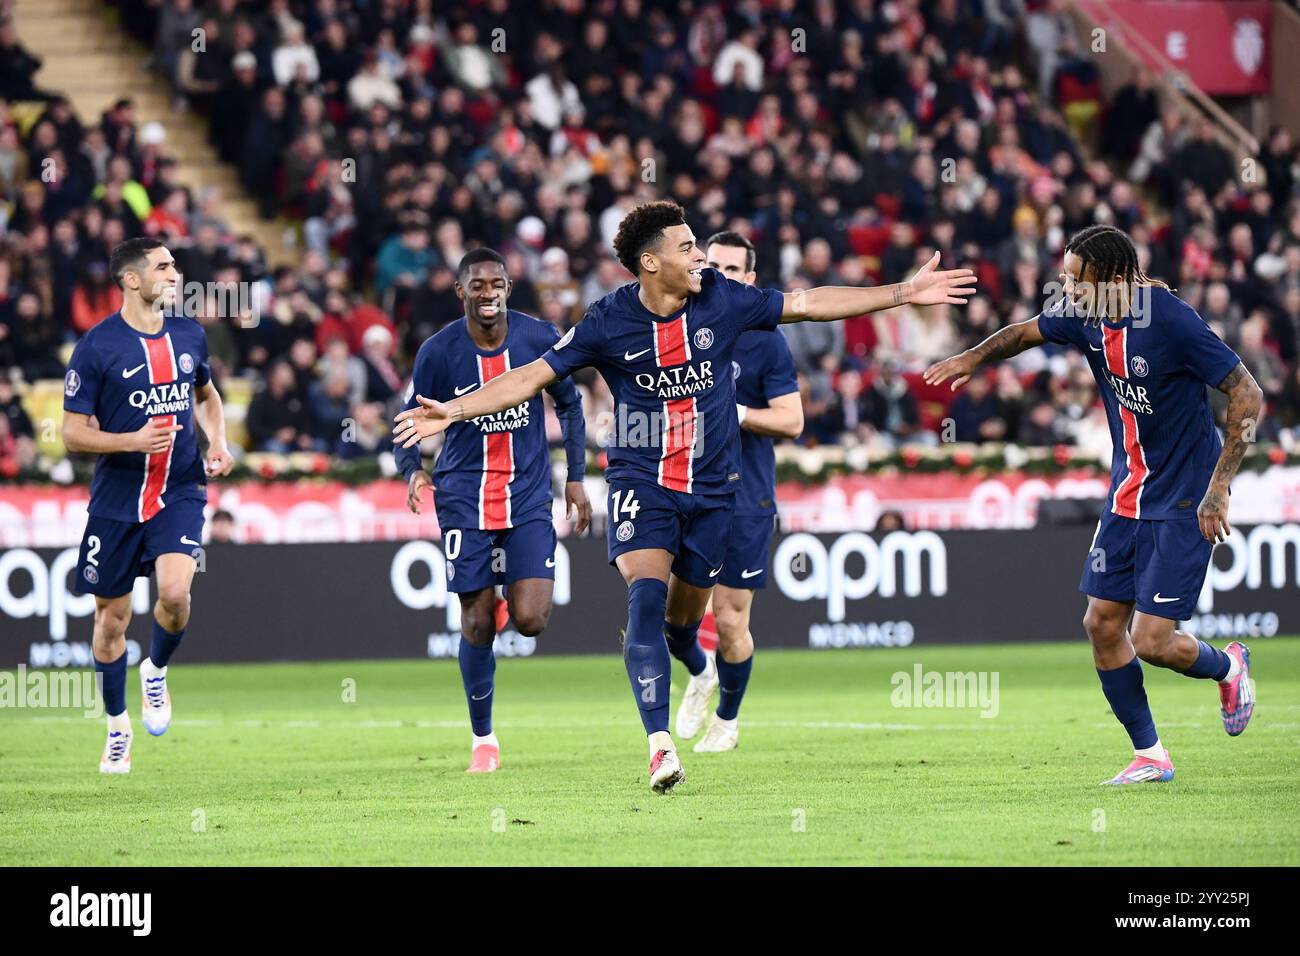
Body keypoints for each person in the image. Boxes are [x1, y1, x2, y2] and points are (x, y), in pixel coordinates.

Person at [396, 200, 975, 792]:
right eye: (687, 247)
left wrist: (902, 292)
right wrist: (456, 410)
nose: (700, 255)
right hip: (640, 485)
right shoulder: (605, 321)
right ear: (650, 263)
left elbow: (808, 303)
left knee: (682, 622)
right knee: (644, 605)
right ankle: (660, 746)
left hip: (713, 488)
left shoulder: (722, 299)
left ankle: (695, 670)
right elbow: (532, 376)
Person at [924, 224, 1262, 784]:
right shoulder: (1083, 314)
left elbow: (1247, 392)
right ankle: (1151, 755)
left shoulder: (1169, 320)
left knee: (1152, 642)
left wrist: (1219, 486)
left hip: (1183, 496)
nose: (1066, 286)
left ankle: (1229, 666)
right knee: (1102, 624)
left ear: (1110, 278)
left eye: (1075, 278)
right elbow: (1023, 333)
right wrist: (973, 358)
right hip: (1126, 492)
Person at [394, 249, 590, 773]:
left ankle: (507, 602)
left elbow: (570, 404)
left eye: (497, 283)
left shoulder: (538, 338)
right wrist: (413, 469)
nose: (488, 292)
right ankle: (484, 739)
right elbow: (409, 417)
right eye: (476, 285)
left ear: (508, 287)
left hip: (527, 495)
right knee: (477, 623)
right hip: (463, 496)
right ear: (461, 292)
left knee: (531, 620)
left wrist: (575, 475)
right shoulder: (437, 354)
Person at [62, 237, 234, 774]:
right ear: (131, 280)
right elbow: (70, 434)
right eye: (163, 266)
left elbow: (206, 396)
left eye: (174, 265)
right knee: (112, 624)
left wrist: (219, 441)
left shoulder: (189, 335)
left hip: (179, 489)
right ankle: (117, 726)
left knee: (177, 593)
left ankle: (155, 669)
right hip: (116, 502)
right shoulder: (97, 347)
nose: (174, 273)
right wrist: (130, 441)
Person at [672, 231, 802, 753]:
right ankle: (700, 674)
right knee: (671, 618)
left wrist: (738, 412)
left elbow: (792, 421)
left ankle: (726, 719)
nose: (718, 276)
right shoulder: (673, 322)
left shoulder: (766, 338)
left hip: (746, 494)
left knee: (729, 619)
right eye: (711, 265)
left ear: (750, 280)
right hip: (681, 488)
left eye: (732, 270)